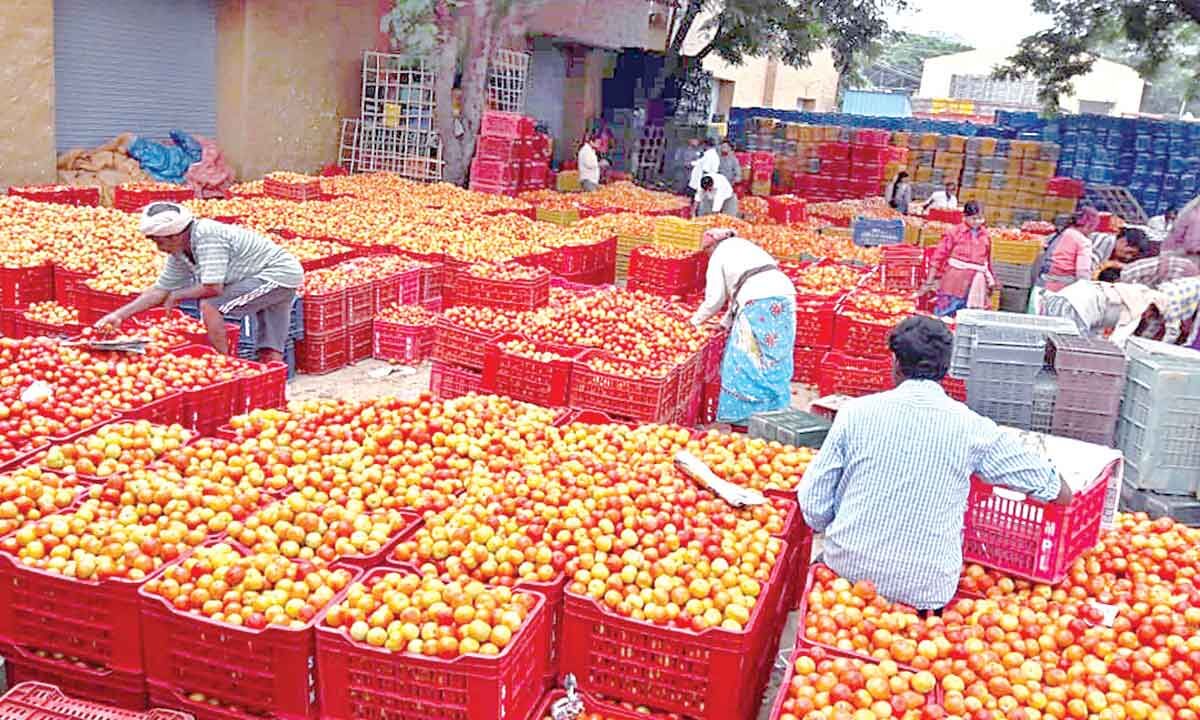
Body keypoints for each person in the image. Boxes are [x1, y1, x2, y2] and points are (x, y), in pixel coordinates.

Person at [797, 316, 1071, 611]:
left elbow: (813, 504)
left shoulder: (855, 414)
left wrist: (846, 526)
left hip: (848, 577)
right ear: (946, 368)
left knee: (821, 575)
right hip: (926, 590)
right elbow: (1057, 490)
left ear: (896, 363)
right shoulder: (973, 428)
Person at [95, 203, 303, 363]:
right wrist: (118, 315)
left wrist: (179, 295)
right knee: (270, 345)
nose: (159, 248)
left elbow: (213, 288)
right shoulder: (180, 252)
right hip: (262, 275)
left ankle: (224, 363)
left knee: (211, 305)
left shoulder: (207, 236)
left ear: (176, 235)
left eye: (160, 242)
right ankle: (271, 383)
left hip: (276, 275)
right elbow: (159, 291)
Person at [691, 228, 796, 424]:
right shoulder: (746, 247)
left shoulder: (719, 255)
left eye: (706, 251)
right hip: (785, 297)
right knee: (775, 356)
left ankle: (745, 417)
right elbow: (740, 288)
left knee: (744, 359)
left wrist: (693, 322)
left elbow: (714, 300)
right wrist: (725, 324)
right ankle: (777, 412)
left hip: (757, 302)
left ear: (711, 246)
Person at [1039, 280, 1165, 347]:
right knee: (1069, 349)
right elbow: (1118, 342)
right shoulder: (1137, 309)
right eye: (1152, 314)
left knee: (1050, 341)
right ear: (1150, 307)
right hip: (1078, 307)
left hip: (1065, 296)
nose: (1149, 318)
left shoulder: (1129, 293)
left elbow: (1095, 329)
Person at [924, 201, 993, 317]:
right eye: (973, 218)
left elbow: (987, 261)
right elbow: (938, 257)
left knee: (970, 316)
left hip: (976, 282)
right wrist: (929, 281)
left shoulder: (986, 235)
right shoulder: (954, 233)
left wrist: (990, 282)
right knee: (945, 312)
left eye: (980, 218)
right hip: (954, 280)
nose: (977, 222)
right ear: (964, 217)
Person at [1036, 206, 1100, 293]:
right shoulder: (1083, 242)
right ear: (1089, 225)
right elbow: (1082, 273)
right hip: (1063, 289)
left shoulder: (1058, 235)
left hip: (1041, 284)